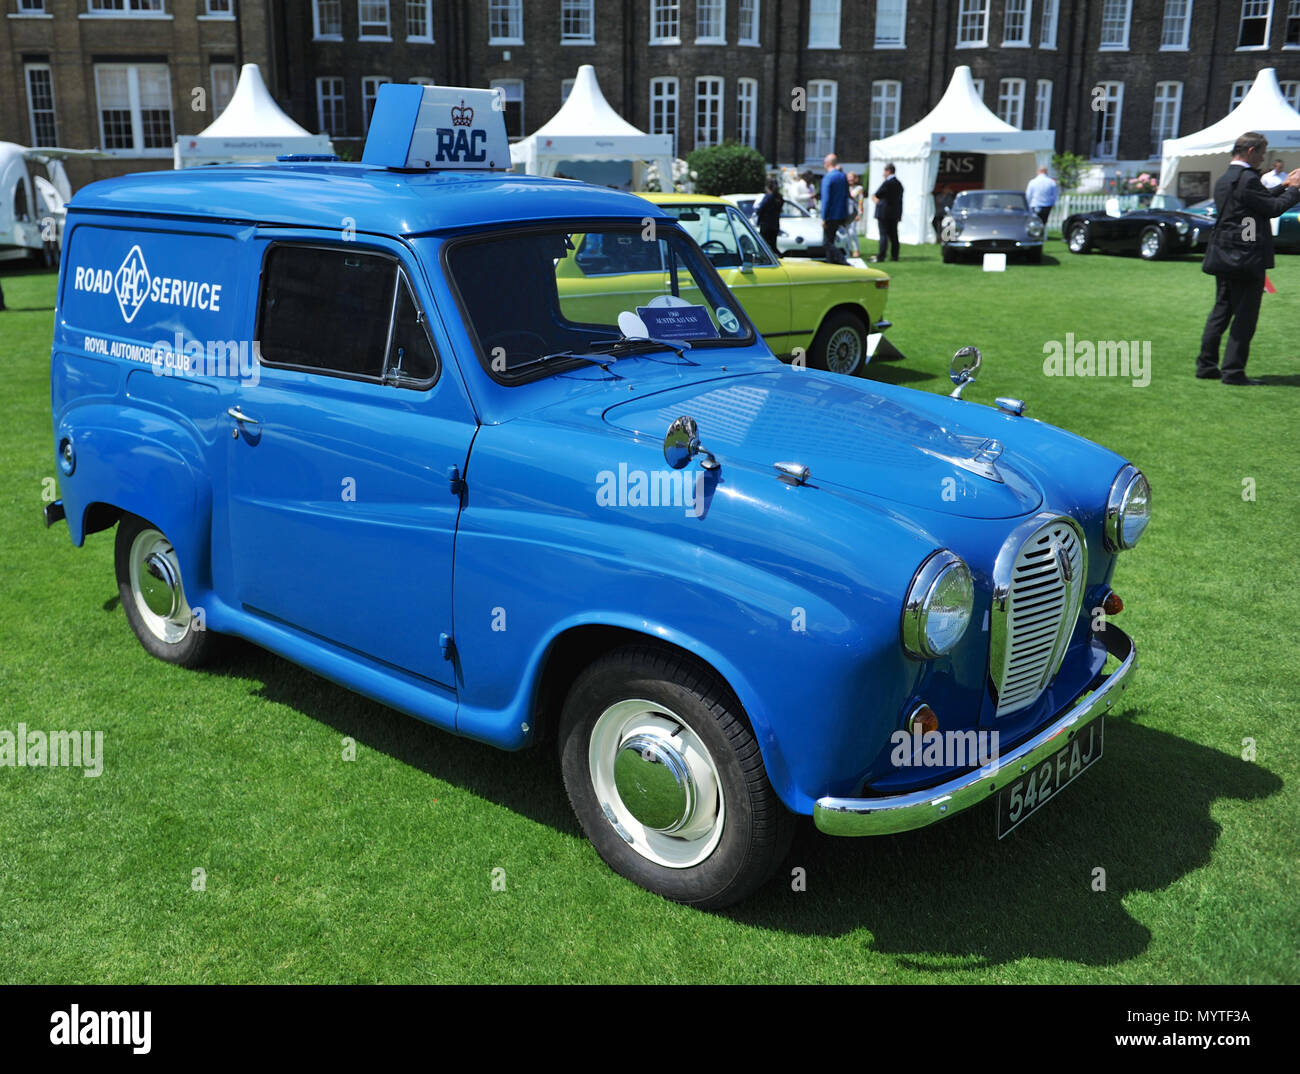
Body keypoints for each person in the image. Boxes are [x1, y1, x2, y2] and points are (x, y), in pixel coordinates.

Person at [1196, 132, 1300, 385]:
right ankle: (1233, 372)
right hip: (1246, 258)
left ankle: (1206, 366)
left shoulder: (1226, 178)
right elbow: (1272, 209)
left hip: (1224, 255)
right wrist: (1296, 190)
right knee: (1245, 316)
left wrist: (1284, 186)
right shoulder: (1248, 179)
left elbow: (1256, 203)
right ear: (1252, 150)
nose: (1263, 158)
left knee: (1221, 311)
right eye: (1262, 153)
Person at [820, 153, 849, 265]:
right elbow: (846, 196)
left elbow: (826, 199)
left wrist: (824, 217)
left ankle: (840, 259)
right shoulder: (842, 176)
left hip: (830, 214)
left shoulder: (828, 177)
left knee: (827, 242)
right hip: (840, 214)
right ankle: (831, 262)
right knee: (831, 241)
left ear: (828, 163)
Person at [872, 163, 903, 262]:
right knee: (894, 235)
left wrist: (876, 200)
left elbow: (878, 194)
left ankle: (881, 255)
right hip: (894, 213)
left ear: (888, 171)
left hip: (884, 212)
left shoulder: (887, 183)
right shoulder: (899, 184)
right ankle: (895, 256)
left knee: (883, 234)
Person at [755, 175, 784, 256]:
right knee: (773, 245)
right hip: (775, 224)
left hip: (766, 225)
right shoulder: (779, 197)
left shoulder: (768, 197)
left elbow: (760, 209)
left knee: (764, 246)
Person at [846, 171, 864, 258]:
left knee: (852, 231)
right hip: (846, 212)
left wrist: (859, 213)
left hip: (854, 211)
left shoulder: (859, 188)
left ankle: (856, 249)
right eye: (848, 177)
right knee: (847, 232)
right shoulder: (845, 187)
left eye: (851, 177)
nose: (850, 179)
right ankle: (848, 249)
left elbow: (860, 201)